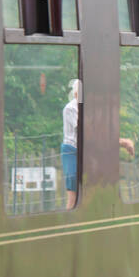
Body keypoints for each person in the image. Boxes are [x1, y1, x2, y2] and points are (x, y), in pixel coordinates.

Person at [63, 80, 80, 209]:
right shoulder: (70, 108)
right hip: (71, 149)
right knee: (73, 190)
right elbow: (82, 129)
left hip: (84, 149)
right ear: (75, 94)